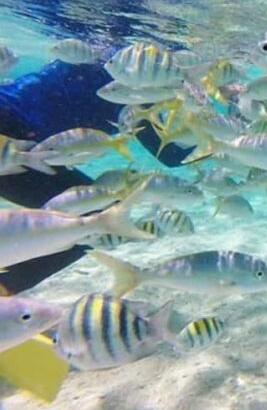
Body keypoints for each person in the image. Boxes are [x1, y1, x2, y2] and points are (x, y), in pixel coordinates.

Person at [0, 57, 191, 296]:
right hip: (12, 137)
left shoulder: (106, 58)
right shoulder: (140, 81)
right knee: (95, 221)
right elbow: (171, 155)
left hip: (10, 121)